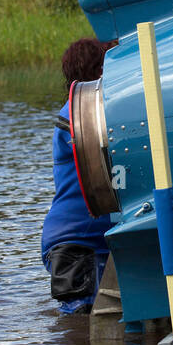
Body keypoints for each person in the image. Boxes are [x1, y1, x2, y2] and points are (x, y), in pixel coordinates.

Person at [42, 38, 117, 312]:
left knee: (94, 327)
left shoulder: (87, 111)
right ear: (98, 72)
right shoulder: (76, 115)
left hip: (93, 239)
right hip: (75, 240)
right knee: (80, 332)